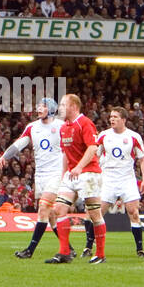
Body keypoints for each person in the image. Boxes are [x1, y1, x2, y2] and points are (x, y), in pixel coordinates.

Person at [0, 97, 63, 259]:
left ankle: (30, 250)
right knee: (51, 215)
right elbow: (19, 144)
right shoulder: (32, 127)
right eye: (38, 106)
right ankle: (67, 247)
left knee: (43, 210)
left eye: (43, 107)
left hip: (56, 173)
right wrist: (5, 156)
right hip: (40, 175)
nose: (39, 109)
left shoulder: (61, 126)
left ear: (52, 109)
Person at [46, 94, 104, 264]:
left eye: (63, 105)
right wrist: (64, 173)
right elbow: (65, 153)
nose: (60, 108)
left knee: (94, 214)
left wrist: (79, 166)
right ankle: (64, 252)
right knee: (58, 210)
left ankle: (100, 254)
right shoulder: (64, 127)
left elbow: (92, 147)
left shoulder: (84, 123)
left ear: (73, 107)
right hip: (71, 175)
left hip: (89, 173)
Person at [97, 107, 144, 255]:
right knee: (97, 212)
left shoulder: (133, 137)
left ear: (124, 120)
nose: (111, 119)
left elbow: (143, 159)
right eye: (111, 116)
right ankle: (89, 246)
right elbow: (94, 155)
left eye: (115, 117)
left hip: (127, 178)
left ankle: (140, 248)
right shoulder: (103, 136)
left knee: (133, 212)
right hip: (108, 177)